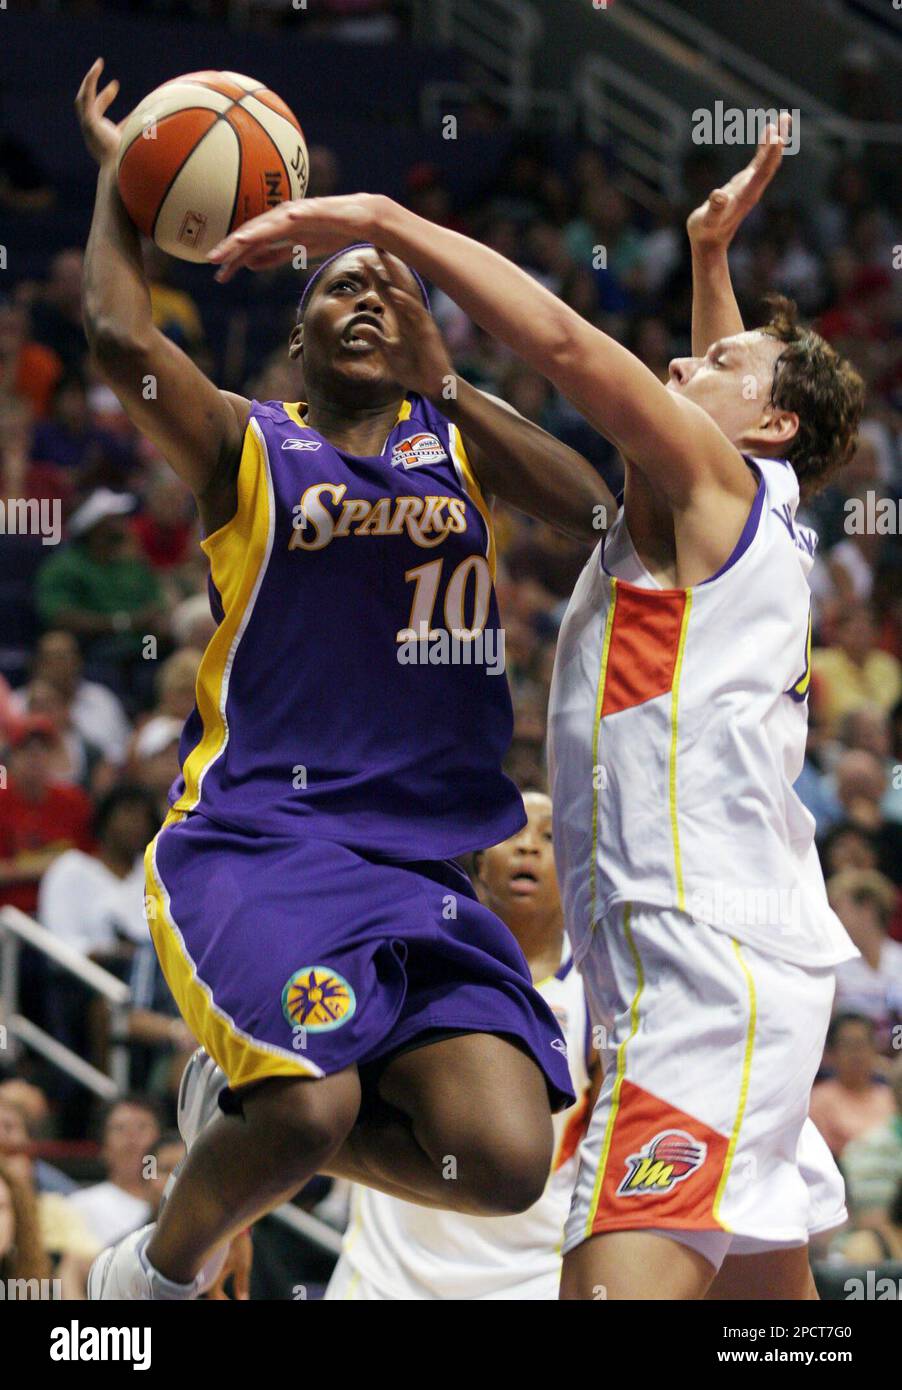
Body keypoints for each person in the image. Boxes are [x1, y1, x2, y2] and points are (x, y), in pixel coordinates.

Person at [216, 118, 866, 1300]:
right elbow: (723, 394)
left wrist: (380, 221)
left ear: (766, 427)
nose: (678, 366)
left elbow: (566, 344)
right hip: (721, 955)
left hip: (697, 967)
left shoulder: (716, 486)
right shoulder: (745, 502)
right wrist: (709, 260)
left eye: (709, 369)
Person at [75, 59, 612, 1301]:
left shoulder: (458, 439)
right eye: (337, 285)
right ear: (297, 339)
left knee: (501, 1163)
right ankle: (151, 1276)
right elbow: (117, 334)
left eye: (388, 283)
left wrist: (452, 382)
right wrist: (129, 174)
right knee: (312, 1115)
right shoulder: (249, 446)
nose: (367, 294)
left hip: (423, 867)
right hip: (267, 837)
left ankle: (251, 1112)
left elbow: (595, 515)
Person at [326, 791, 599, 1300]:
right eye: (514, 833)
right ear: (480, 863)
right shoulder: (413, 959)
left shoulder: (597, 995)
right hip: (382, 1274)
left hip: (529, 1279)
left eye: (548, 837)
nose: (528, 849)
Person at [69, 1097, 160, 1248]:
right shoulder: (79, 1205)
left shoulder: (177, 1205)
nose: (132, 1137)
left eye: (142, 1127)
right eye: (120, 1128)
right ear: (104, 1148)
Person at [809, 1015, 895, 1159]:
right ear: (831, 1054)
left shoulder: (890, 1096)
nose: (856, 1055)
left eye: (862, 1045)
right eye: (848, 1046)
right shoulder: (818, 1101)